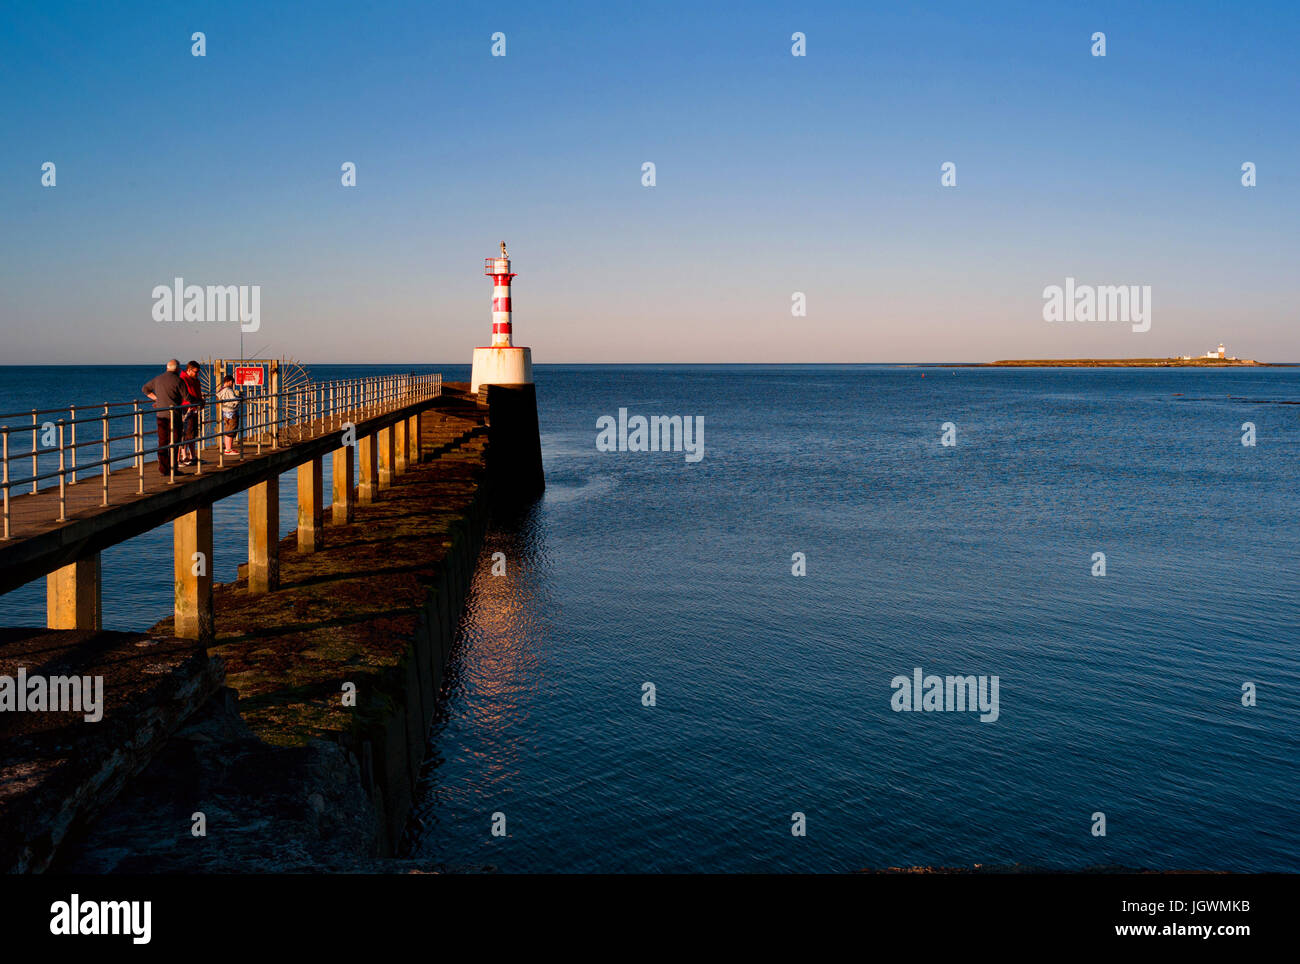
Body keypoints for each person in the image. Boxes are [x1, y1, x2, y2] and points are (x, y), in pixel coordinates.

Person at [142, 359, 186, 476]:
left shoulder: (158, 379)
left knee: (162, 442)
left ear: (167, 368)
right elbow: (187, 397)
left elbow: (145, 389)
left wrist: (157, 399)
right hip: (174, 416)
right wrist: (199, 401)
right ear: (177, 369)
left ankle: (163, 468)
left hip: (161, 415)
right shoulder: (178, 380)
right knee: (174, 442)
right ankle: (173, 468)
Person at [178, 360, 204, 464]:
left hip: (194, 410)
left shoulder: (196, 381)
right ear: (189, 370)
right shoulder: (182, 380)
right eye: (195, 372)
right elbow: (186, 396)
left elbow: (197, 394)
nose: (197, 374)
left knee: (192, 434)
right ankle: (184, 457)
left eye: (198, 372)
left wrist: (201, 401)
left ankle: (193, 456)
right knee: (184, 434)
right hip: (186, 410)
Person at [216, 375, 242, 454]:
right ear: (230, 381)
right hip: (231, 412)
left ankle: (228, 448)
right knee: (231, 430)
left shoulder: (221, 390)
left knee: (228, 429)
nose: (232, 384)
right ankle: (228, 449)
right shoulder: (229, 390)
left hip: (225, 412)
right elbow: (235, 400)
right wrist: (239, 397)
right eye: (232, 383)